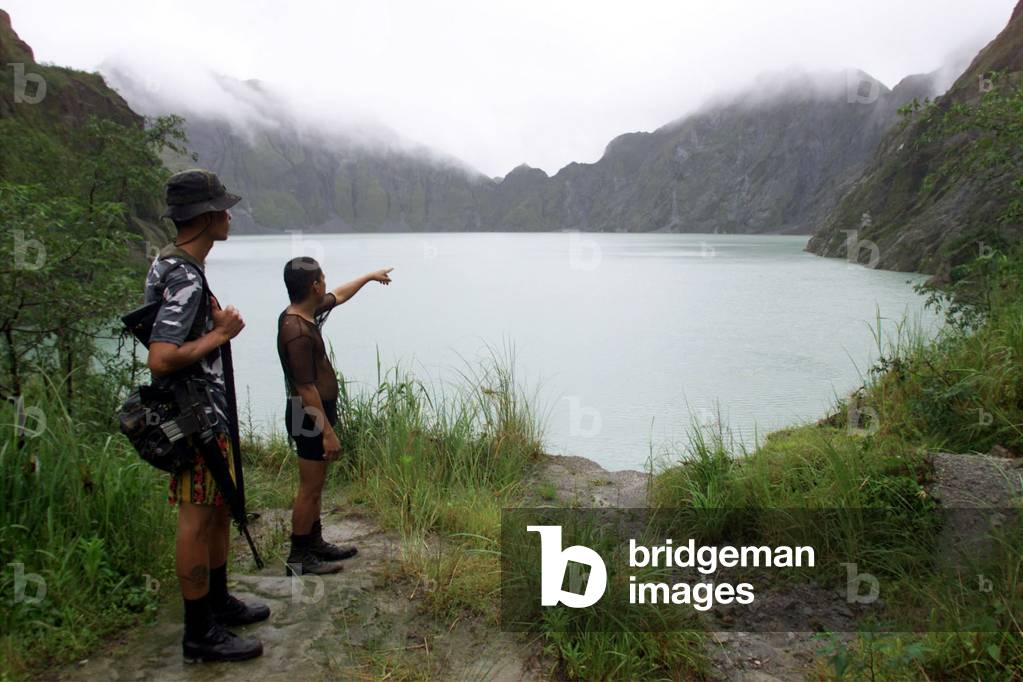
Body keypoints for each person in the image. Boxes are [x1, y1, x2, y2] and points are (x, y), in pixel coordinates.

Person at [146, 169, 268, 663]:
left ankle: (217, 601)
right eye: (222, 208)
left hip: (205, 413)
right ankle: (199, 632)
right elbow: (161, 355)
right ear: (205, 217)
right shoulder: (184, 274)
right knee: (196, 518)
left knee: (218, 508)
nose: (230, 216)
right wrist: (221, 335)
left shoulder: (174, 266)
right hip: (191, 419)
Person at [277, 256, 393, 575]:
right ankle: (299, 557)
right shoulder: (296, 331)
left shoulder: (306, 311)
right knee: (309, 487)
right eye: (323, 278)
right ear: (314, 286)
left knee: (317, 482)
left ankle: (314, 542)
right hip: (307, 415)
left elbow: (339, 295)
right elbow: (305, 388)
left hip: (315, 412)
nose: (327, 282)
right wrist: (326, 431)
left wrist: (369, 275)